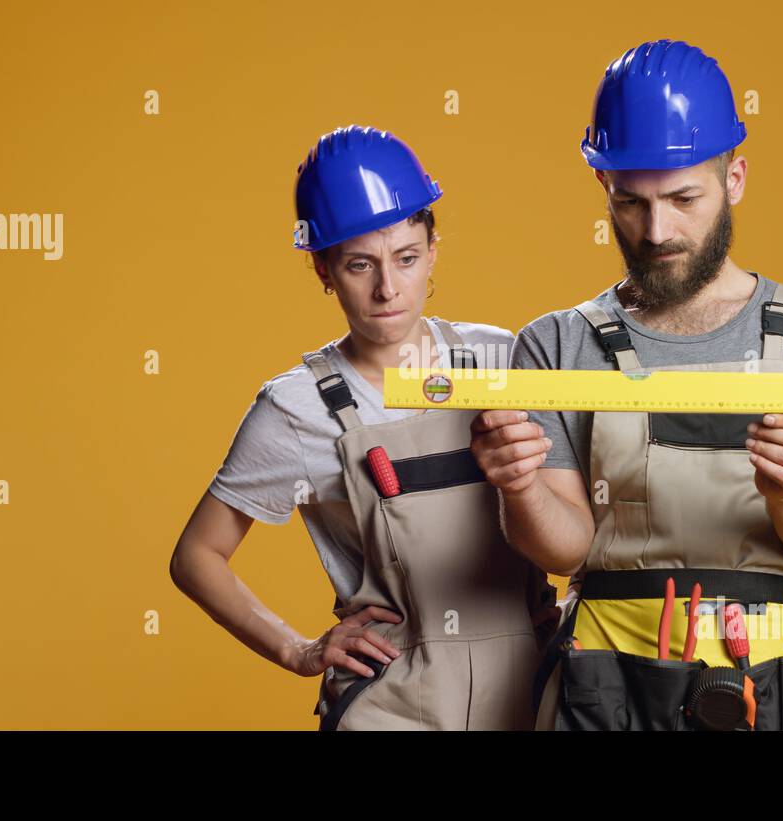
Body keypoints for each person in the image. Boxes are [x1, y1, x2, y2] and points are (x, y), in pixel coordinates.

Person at [469, 39, 783, 730]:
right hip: (601, 676)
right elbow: (565, 546)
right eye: (630, 202)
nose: (656, 229)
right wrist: (517, 484)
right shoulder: (555, 341)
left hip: (762, 672)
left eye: (682, 197)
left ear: (736, 179)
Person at [170, 125, 552, 730]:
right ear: (322, 268)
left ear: (433, 249)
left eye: (406, 258)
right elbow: (197, 557)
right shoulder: (298, 408)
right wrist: (298, 651)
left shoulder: (498, 359)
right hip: (393, 704)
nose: (388, 288)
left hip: (531, 689)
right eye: (358, 265)